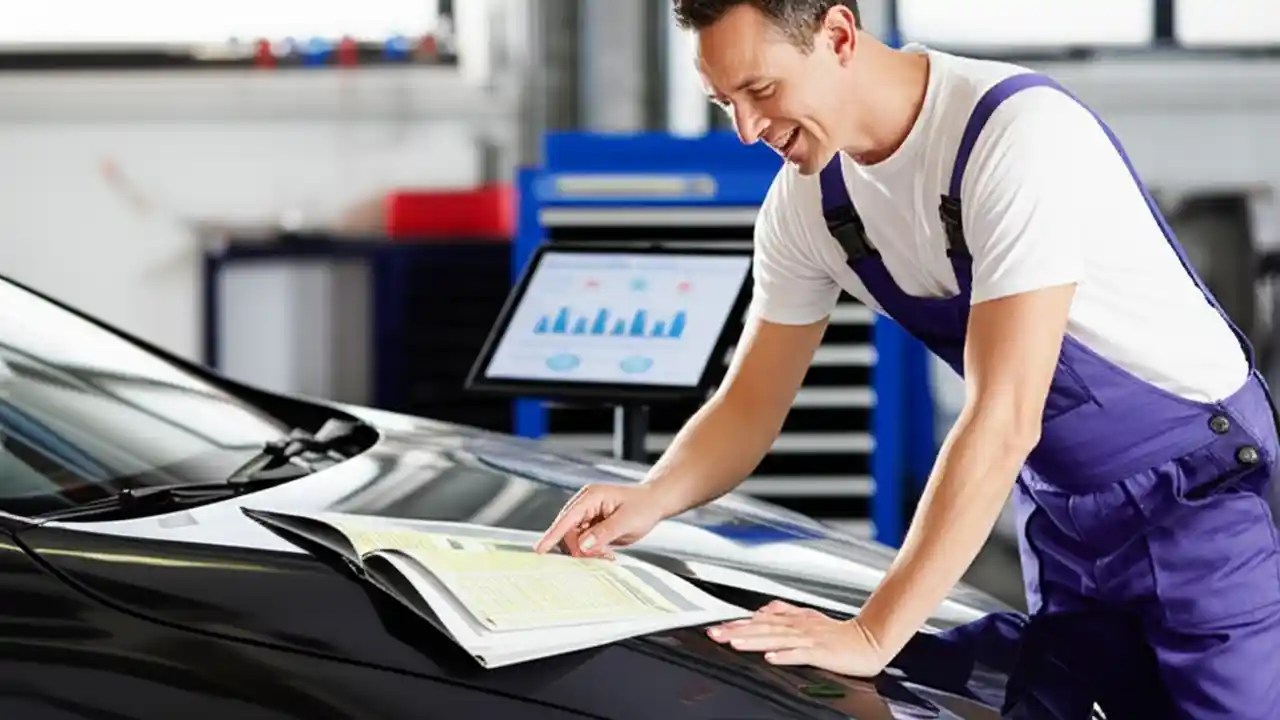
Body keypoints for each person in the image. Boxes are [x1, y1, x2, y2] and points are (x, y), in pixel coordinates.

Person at [534, 1, 1280, 716]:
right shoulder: (808, 205)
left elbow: (1004, 416)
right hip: (1064, 511)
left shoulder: (1014, 136)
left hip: (1201, 498)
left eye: (760, 90)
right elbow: (750, 403)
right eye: (723, 100)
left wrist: (870, 632)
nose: (746, 129)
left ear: (838, 35)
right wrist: (653, 496)